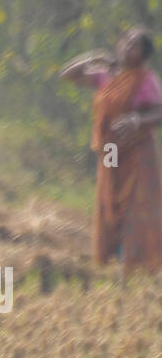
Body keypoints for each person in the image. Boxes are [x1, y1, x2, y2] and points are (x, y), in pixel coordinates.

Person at [60, 27, 162, 275]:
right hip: (112, 152)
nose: (128, 46)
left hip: (138, 151)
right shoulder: (106, 75)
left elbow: (159, 112)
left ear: (144, 54)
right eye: (126, 41)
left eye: (135, 45)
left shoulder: (146, 80)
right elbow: (68, 75)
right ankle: (115, 258)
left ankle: (139, 263)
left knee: (137, 204)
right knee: (111, 200)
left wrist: (136, 120)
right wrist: (95, 57)